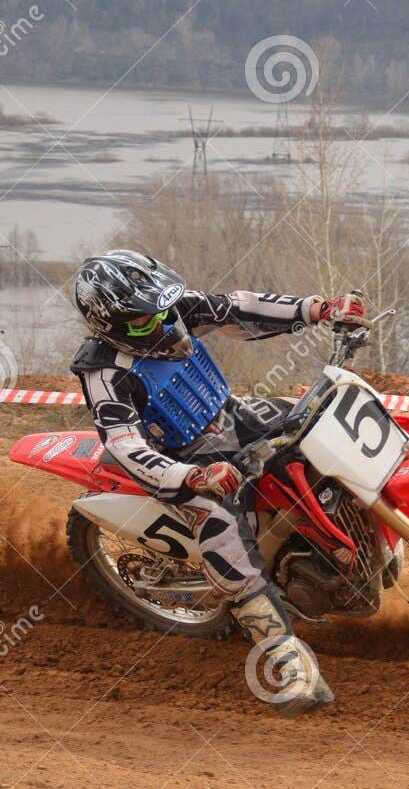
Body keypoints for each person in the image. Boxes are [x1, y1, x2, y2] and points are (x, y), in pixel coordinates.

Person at [70, 249, 368, 716]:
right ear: (112, 323)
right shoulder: (104, 373)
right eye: (147, 320)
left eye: (163, 311)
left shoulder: (168, 309)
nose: (164, 323)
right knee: (222, 529)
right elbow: (125, 445)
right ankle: (285, 658)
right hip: (179, 460)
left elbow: (238, 308)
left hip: (227, 417)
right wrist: (191, 477)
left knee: (315, 425)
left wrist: (318, 308)